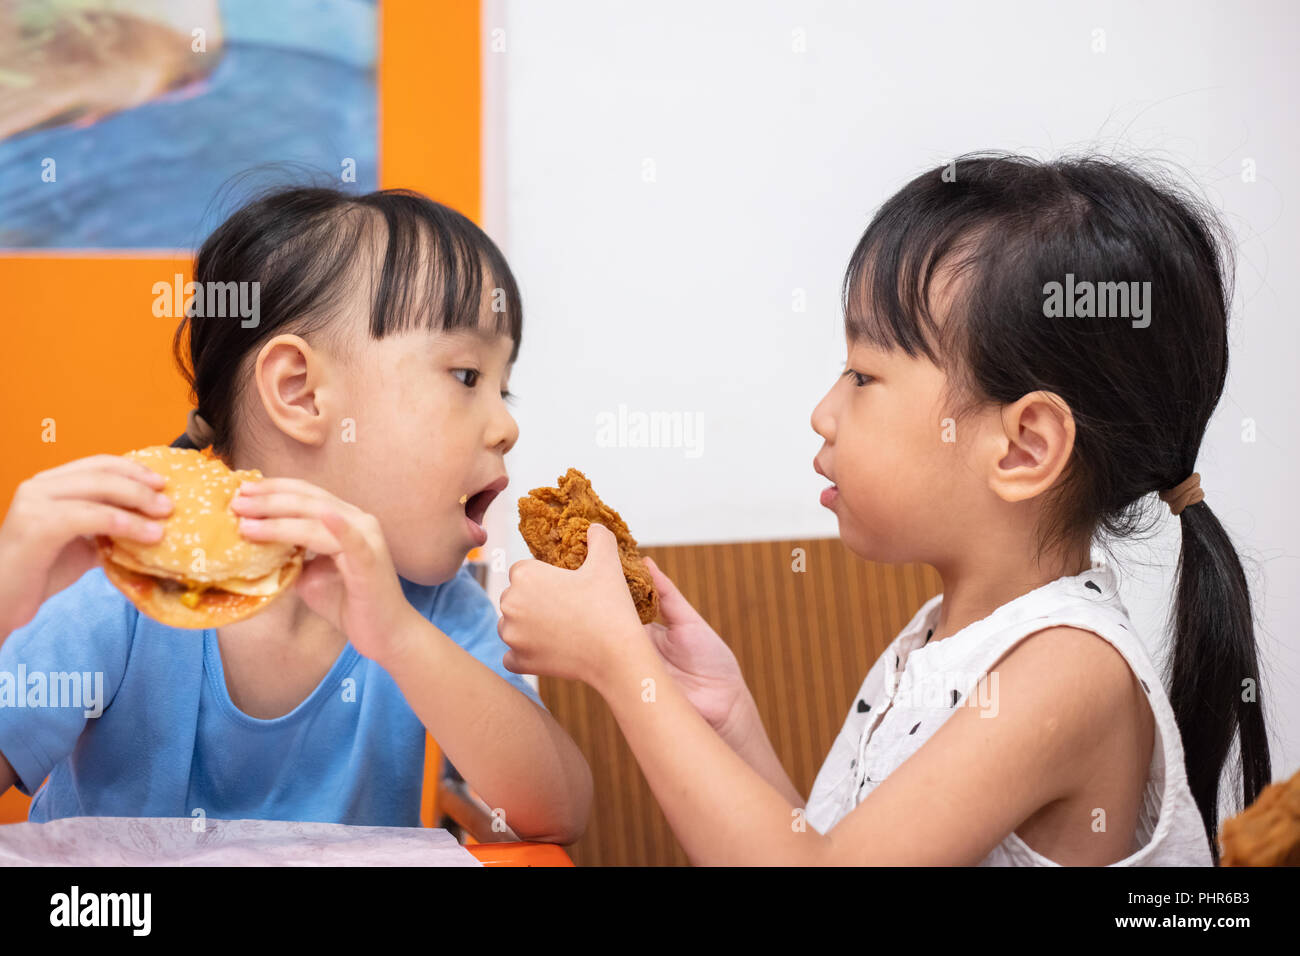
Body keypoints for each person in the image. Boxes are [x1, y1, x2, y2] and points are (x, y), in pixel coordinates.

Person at [495, 152, 1269, 865]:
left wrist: (623, 666)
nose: (825, 412)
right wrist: (732, 721)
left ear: (1024, 447)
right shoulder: (939, 639)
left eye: (863, 376)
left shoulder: (1070, 670)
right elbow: (827, 851)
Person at [0, 184, 591, 841]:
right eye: (466, 377)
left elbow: (555, 814)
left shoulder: (431, 609)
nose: (507, 425)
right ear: (301, 393)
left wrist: (399, 638)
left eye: (503, 386)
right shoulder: (122, 587)